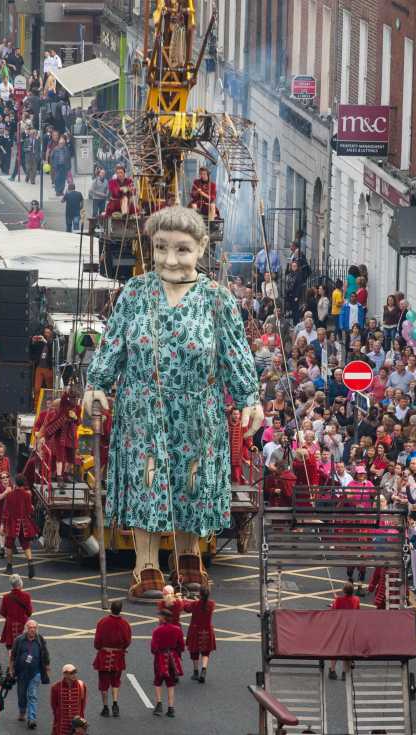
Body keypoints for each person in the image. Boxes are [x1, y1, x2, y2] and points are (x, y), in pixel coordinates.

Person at [83, 207, 262, 598]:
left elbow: (235, 353)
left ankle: (188, 557)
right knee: (148, 479)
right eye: (160, 248)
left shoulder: (217, 300)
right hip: (142, 409)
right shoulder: (135, 293)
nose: (169, 259)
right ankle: (145, 564)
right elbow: (113, 343)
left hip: (199, 412)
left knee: (193, 480)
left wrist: (250, 397)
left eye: (181, 250)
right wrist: (97, 382)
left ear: (201, 249)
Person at [92, 600, 132, 718]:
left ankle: (105, 707)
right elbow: (127, 640)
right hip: (118, 657)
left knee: (103, 683)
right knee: (116, 681)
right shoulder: (125, 624)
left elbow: (97, 640)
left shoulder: (102, 622)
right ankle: (115, 703)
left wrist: (99, 648)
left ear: (111, 609)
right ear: (120, 610)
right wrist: (122, 648)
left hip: (104, 655)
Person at [10, 619, 50, 728]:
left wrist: (47, 667)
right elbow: (13, 656)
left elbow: (45, 653)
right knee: (22, 695)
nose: (32, 630)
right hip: (21, 673)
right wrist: (11, 669)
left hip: (35, 673)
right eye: (30, 627)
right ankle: (22, 711)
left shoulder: (40, 639)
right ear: (26, 629)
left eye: (34, 628)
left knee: (32, 695)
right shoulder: (19, 640)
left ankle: (32, 719)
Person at [1, 474, 39, 576]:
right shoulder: (27, 495)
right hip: (24, 524)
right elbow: (29, 511)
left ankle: (9, 567)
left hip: (12, 523)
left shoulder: (9, 495)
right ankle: (30, 563)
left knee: (9, 545)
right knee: (26, 544)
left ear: (16, 483)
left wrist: (3, 525)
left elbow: (6, 512)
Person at [150, 608, 183, 717]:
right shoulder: (177, 629)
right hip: (172, 658)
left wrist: (158, 652)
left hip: (160, 658)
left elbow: (153, 648)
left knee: (158, 681)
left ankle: (159, 705)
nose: (158, 618)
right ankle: (171, 708)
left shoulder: (157, 631)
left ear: (164, 619)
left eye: (159, 616)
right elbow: (181, 646)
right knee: (170, 683)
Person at [184, 587, 215, 683]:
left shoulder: (195, 604)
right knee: (206, 652)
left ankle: (196, 672)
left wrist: (184, 600)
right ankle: (204, 669)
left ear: (200, 594)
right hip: (207, 630)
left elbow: (186, 608)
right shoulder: (212, 604)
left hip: (195, 630)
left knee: (194, 651)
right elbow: (202, 603)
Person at [0, 575, 34, 650]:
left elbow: (2, 612)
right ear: (20, 583)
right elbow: (29, 612)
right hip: (23, 624)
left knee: (10, 648)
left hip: (10, 625)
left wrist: (10, 617)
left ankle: (11, 662)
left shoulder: (6, 597)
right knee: (24, 647)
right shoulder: (26, 596)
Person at [51, 663, 87, 735]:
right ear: (65, 674)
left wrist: (81, 719)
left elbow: (83, 704)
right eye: (71, 673)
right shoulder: (55, 687)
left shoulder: (82, 685)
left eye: (74, 672)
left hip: (77, 724)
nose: (74, 675)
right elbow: (54, 706)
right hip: (62, 723)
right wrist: (58, 717)